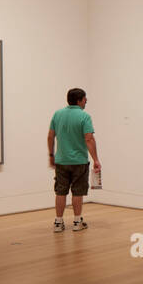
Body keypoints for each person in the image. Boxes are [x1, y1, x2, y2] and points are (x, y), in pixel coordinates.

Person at [48, 87, 99, 233]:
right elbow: (89, 138)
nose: (86, 101)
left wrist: (51, 155)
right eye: (85, 98)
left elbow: (50, 136)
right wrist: (96, 159)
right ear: (79, 100)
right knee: (77, 192)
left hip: (61, 161)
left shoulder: (57, 114)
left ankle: (58, 223)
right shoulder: (84, 116)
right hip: (79, 161)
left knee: (60, 191)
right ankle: (77, 222)